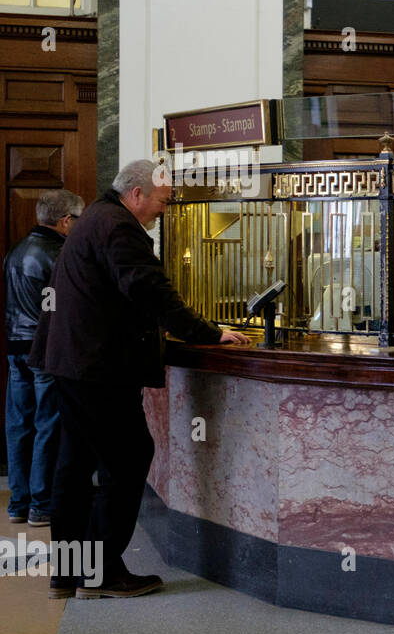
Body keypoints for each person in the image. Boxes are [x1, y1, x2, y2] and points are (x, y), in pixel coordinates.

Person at [28, 159, 250, 600]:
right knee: (128, 458)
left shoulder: (94, 217)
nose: (164, 210)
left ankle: (69, 573)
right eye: (162, 201)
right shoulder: (119, 227)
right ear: (136, 195)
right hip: (98, 368)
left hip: (72, 362)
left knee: (73, 467)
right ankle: (102, 572)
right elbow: (150, 290)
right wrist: (207, 332)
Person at [4, 189, 84, 525]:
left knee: (19, 425)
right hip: (45, 351)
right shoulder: (61, 253)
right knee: (48, 425)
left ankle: (18, 503)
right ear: (66, 220)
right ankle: (41, 503)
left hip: (15, 348)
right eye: (77, 219)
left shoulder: (15, 251)